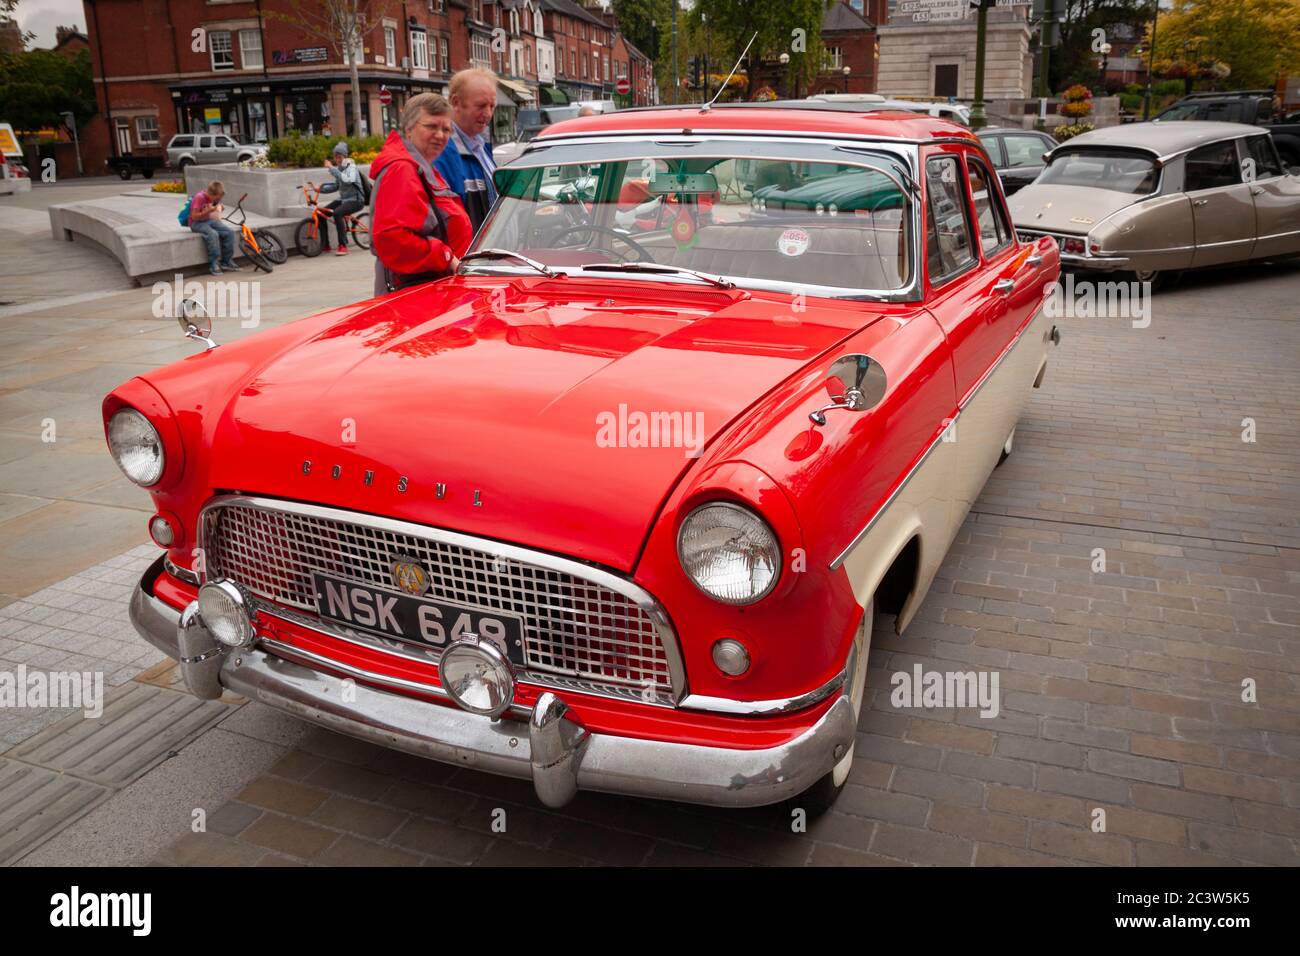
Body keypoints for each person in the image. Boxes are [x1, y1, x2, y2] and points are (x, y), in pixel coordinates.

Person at [369, 92, 473, 296]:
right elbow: (392, 240)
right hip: (415, 296)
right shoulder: (402, 169)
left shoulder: (420, 167)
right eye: (431, 126)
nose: (440, 135)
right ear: (408, 129)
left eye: (446, 129)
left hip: (429, 291)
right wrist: (445, 256)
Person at [434, 67, 498, 233]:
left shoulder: (481, 147)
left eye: (492, 106)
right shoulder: (442, 153)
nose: (488, 113)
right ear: (456, 103)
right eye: (481, 106)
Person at [320, 142, 366, 256]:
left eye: (339, 157)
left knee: (337, 213)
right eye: (335, 157)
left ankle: (343, 246)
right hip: (345, 199)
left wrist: (331, 168)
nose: (337, 160)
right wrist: (319, 189)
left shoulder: (351, 167)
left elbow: (346, 179)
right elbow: (336, 186)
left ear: (345, 157)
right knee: (321, 214)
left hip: (356, 200)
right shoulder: (340, 169)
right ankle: (325, 244)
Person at [187, 181, 241, 276]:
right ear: (211, 194)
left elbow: (214, 208)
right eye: (218, 198)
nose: (218, 200)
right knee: (213, 234)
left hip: (207, 220)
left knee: (229, 232)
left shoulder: (213, 198)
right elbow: (194, 216)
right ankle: (214, 263)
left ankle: (226, 262)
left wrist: (219, 208)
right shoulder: (199, 197)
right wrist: (207, 211)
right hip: (196, 223)